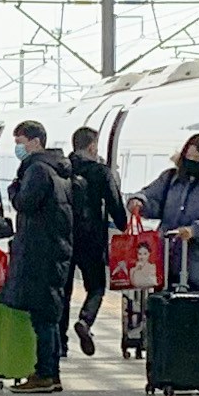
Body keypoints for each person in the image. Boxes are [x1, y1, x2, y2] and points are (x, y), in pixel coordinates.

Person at [3, 120, 78, 390]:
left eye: (20, 142)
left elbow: (25, 203)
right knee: (50, 312)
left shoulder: (37, 170)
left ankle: (45, 372)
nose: (18, 148)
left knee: (42, 316)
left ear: (35, 142)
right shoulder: (60, 171)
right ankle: (51, 372)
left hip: (40, 250)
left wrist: (13, 189)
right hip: (56, 248)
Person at [139, 134, 199, 293]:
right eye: (188, 156)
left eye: (197, 159)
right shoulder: (170, 178)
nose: (191, 162)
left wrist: (194, 230)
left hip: (197, 267)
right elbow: (152, 198)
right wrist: (139, 201)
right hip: (163, 261)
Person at [65, 125, 124, 354]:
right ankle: (85, 320)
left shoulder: (63, 168)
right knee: (97, 286)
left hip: (65, 237)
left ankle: (60, 343)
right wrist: (124, 226)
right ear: (92, 146)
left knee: (64, 289)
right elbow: (115, 205)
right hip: (92, 239)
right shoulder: (101, 171)